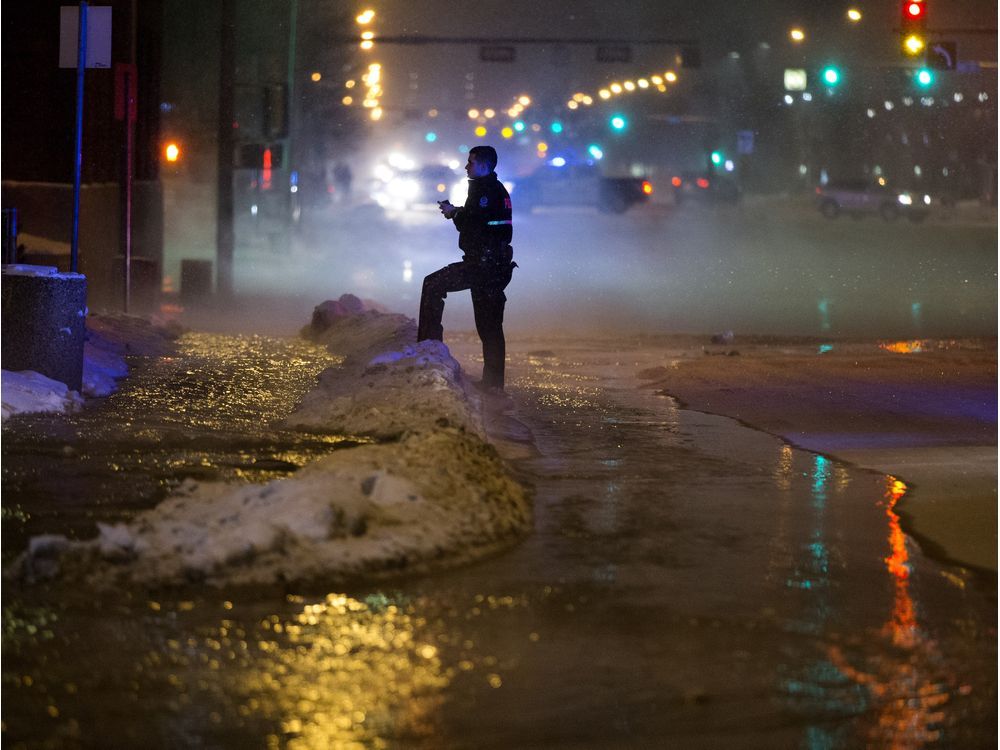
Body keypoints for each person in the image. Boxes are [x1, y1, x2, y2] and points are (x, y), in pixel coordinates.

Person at [417, 145, 516, 392]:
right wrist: (458, 212)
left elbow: (473, 224)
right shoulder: (488, 189)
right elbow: (478, 219)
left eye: (470, 162)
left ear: (484, 166)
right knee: (489, 326)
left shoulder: (486, 191)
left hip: (486, 266)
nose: (466, 166)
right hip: (488, 265)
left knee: (433, 284)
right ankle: (493, 384)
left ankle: (428, 351)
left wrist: (454, 214)